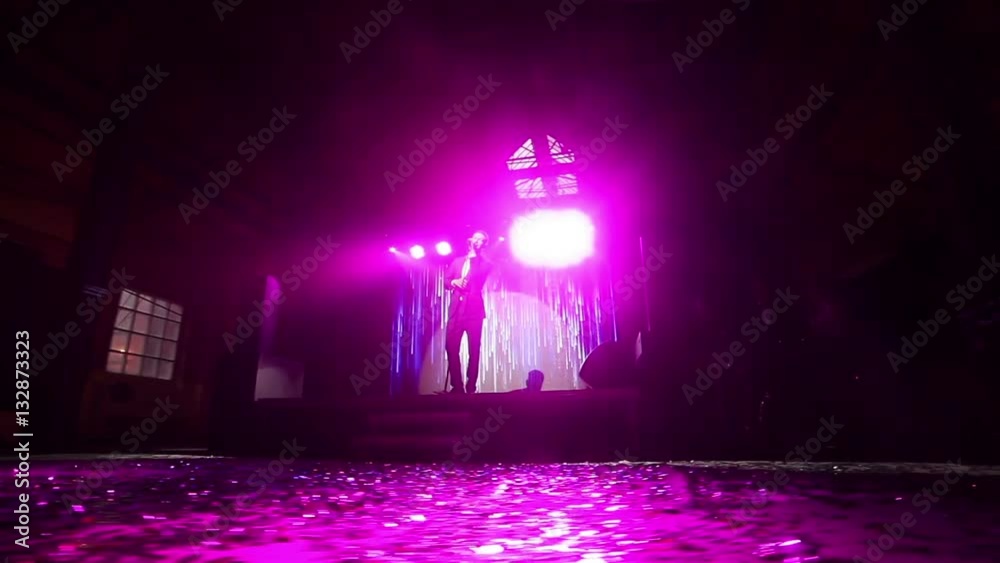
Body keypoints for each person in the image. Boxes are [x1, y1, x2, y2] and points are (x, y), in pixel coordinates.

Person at [445, 230, 495, 394]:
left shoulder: (486, 264)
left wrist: (473, 255)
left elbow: (477, 277)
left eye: (481, 240)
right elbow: (446, 281)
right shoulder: (457, 261)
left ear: (484, 245)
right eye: (475, 238)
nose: (477, 241)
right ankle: (457, 386)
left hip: (474, 311)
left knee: (474, 349)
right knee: (451, 347)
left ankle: (471, 385)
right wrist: (454, 282)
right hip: (456, 310)